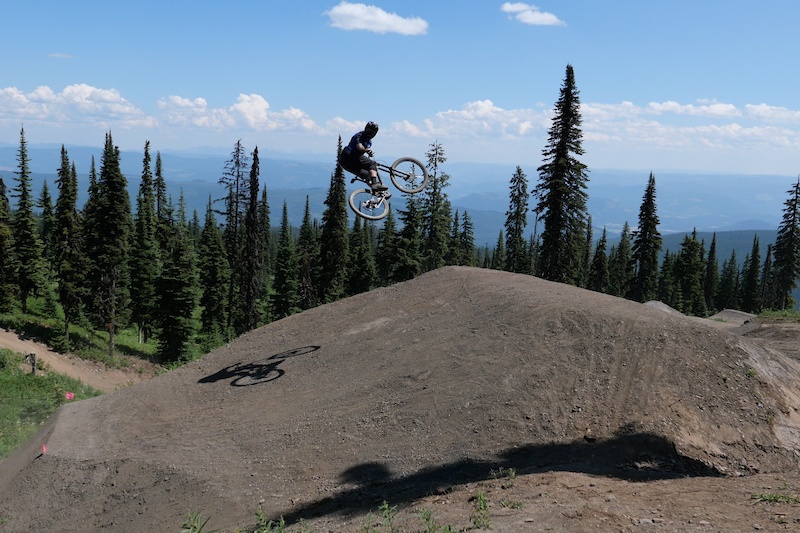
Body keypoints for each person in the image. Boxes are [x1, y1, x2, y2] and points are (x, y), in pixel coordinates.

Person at [339, 121, 388, 191]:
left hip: (346, 163)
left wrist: (367, 152)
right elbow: (359, 147)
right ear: (366, 129)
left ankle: (376, 191)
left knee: (367, 175)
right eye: (370, 130)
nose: (371, 133)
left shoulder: (369, 142)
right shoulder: (360, 135)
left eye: (373, 131)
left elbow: (362, 157)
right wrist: (366, 151)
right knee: (372, 164)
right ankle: (374, 183)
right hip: (349, 155)